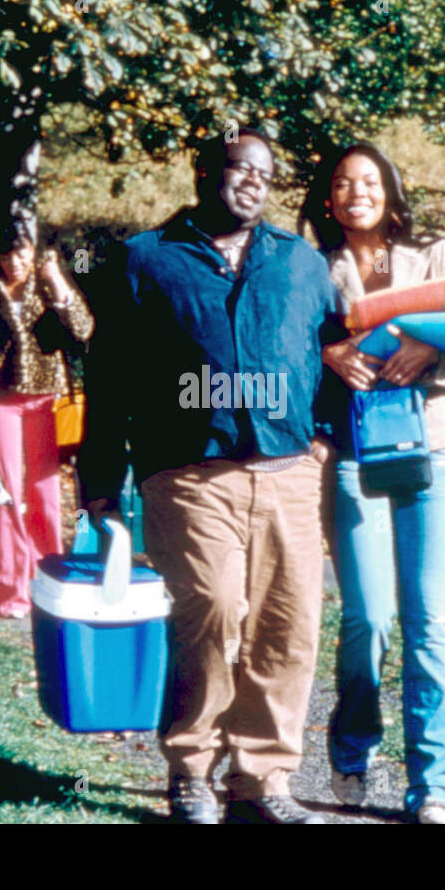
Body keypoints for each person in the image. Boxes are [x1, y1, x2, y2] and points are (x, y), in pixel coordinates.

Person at [77, 128, 340, 824]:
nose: (253, 181)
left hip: (288, 470)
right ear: (201, 173)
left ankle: (263, 779)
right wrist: (101, 477)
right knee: (212, 610)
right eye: (238, 169)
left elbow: (336, 353)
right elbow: (106, 377)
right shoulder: (144, 260)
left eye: (265, 173)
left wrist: (322, 439)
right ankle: (191, 768)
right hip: (189, 473)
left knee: (290, 626)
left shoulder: (302, 261)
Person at [300, 142, 445, 824]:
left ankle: (433, 784)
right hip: (354, 455)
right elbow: (294, 347)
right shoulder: (312, 268)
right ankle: (352, 753)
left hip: (432, 452)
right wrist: (329, 354)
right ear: (328, 199)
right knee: (368, 618)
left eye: (370, 181)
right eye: (344, 183)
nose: (358, 192)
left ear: (390, 190)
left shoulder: (434, 255)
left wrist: (431, 350)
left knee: (429, 621)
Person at [0, 237, 93, 619]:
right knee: (3, 493)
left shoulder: (47, 284)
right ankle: (10, 595)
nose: (14, 261)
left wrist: (56, 280)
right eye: (6, 252)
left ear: (35, 252)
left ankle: (47, 583)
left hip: (46, 397)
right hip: (3, 395)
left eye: (21, 252)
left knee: (45, 491)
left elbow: (83, 328)